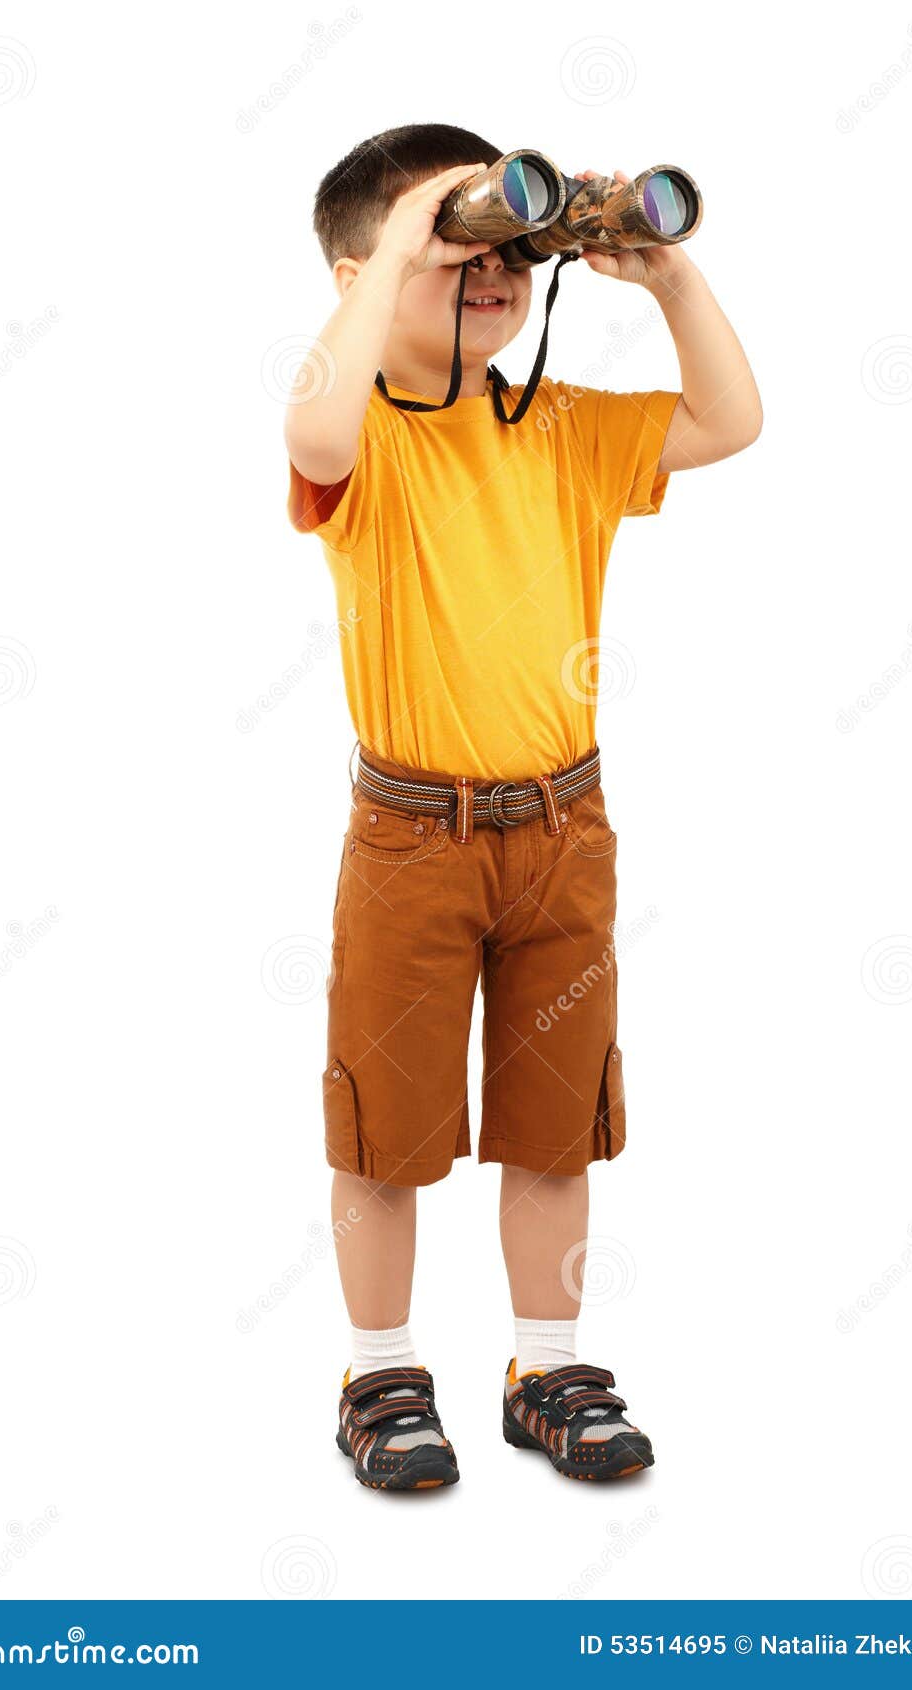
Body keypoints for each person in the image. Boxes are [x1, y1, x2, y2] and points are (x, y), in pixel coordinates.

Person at [285, 123, 762, 1490]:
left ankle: (546, 1365)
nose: (489, 270)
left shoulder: (560, 426)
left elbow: (730, 421)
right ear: (362, 276)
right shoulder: (363, 434)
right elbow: (311, 421)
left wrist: (665, 277)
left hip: (565, 831)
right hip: (410, 838)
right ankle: (380, 1370)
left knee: (557, 1123)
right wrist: (400, 250)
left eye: (506, 248)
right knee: (385, 1130)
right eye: (456, 250)